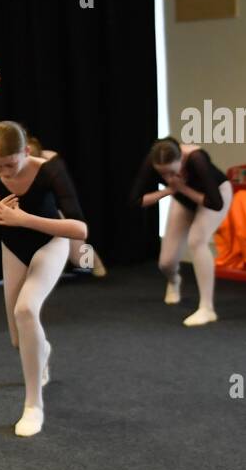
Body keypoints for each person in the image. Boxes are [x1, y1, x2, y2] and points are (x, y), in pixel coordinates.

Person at [0, 121, 86, 437]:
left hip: (51, 243)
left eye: (10, 165)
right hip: (13, 249)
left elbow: (80, 229)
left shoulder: (50, 170)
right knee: (17, 338)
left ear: (25, 151)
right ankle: (43, 351)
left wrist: (22, 219)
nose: (5, 174)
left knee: (26, 310)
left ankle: (33, 405)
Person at [129, 135, 234, 326]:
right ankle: (174, 280)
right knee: (166, 263)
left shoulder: (196, 159)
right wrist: (169, 191)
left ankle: (207, 308)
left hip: (216, 196)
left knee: (197, 240)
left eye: (171, 172)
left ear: (181, 160)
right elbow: (136, 200)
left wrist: (182, 188)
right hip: (183, 199)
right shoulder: (153, 160)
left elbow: (215, 203)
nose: (167, 178)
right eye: (162, 174)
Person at [26, 134, 107, 277]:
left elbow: (65, 200)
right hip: (31, 216)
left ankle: (96, 263)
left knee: (80, 256)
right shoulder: (14, 168)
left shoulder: (50, 165)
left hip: (56, 214)